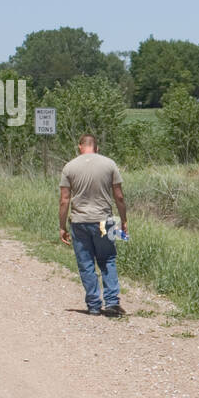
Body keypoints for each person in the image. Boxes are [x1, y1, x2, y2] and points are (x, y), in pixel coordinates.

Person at [59, 133, 128, 317]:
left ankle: (94, 305)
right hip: (106, 220)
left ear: (80, 147)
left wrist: (62, 226)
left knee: (86, 263)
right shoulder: (109, 164)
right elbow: (119, 196)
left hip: (79, 222)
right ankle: (112, 303)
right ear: (96, 148)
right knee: (108, 259)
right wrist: (124, 221)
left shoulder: (69, 167)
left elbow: (64, 200)